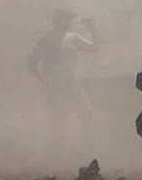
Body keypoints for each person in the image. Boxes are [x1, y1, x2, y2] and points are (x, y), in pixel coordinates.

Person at [27, 9, 99, 149]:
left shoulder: (72, 37)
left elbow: (95, 48)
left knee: (85, 111)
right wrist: (44, 80)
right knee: (58, 117)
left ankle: (90, 145)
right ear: (58, 20)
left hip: (71, 80)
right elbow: (31, 63)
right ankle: (57, 149)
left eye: (69, 19)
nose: (69, 22)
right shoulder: (45, 40)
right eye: (66, 19)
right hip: (55, 82)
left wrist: (92, 28)